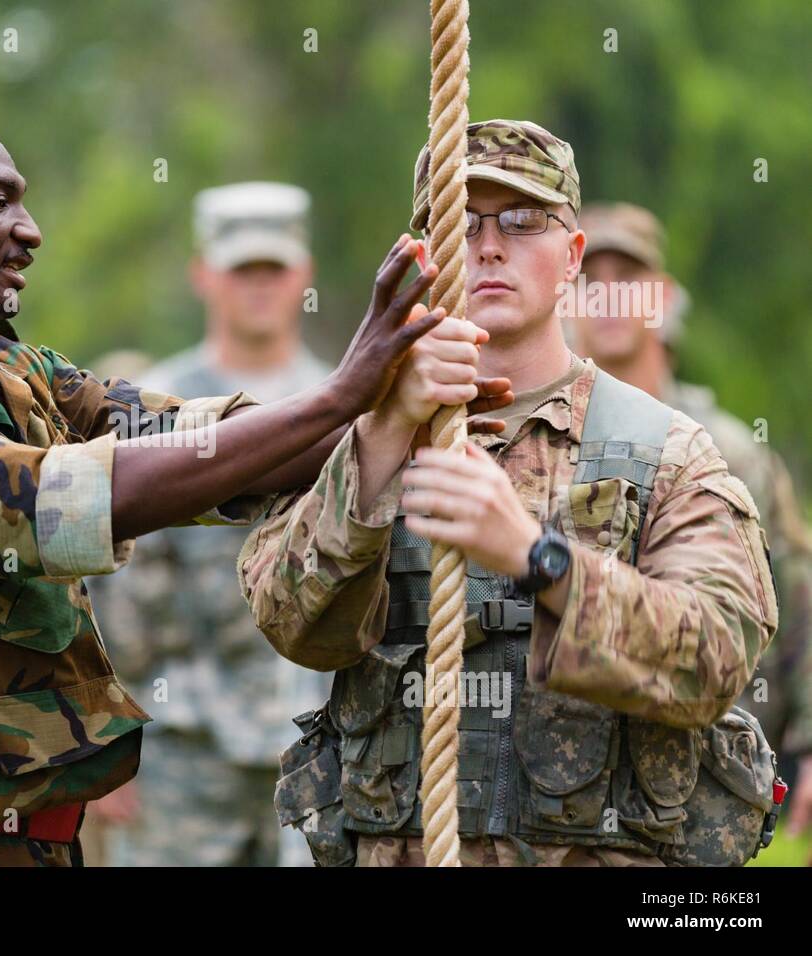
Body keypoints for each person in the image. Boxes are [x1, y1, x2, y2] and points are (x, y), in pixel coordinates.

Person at [0, 95, 506, 867]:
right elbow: (73, 499)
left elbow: (199, 440)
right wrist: (344, 395)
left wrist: (397, 419)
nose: (29, 232)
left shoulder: (14, 373)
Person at [239, 120, 781, 867]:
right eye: (460, 223)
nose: (489, 245)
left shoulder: (665, 450)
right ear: (423, 258)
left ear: (573, 258)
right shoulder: (352, 436)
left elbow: (717, 659)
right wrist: (387, 429)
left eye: (523, 221)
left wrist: (538, 558)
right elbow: (291, 623)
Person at [89, 182, 332, 866]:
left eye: (274, 269)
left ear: (303, 274)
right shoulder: (150, 410)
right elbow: (100, 583)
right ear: (203, 274)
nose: (259, 288)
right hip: (179, 755)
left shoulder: (343, 400)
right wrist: (107, 738)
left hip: (320, 742)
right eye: (240, 270)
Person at [572, 200, 812, 858]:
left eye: (632, 279)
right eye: (594, 281)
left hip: (699, 773)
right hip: (567, 774)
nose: (613, 299)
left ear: (666, 301)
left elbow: (798, 593)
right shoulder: (548, 441)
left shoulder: (728, 449)